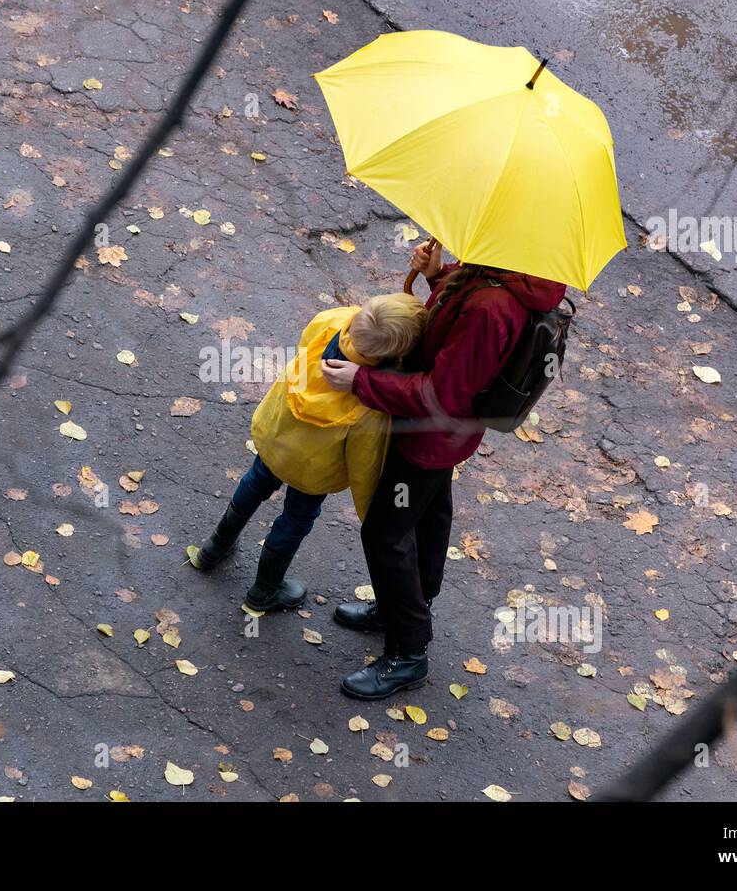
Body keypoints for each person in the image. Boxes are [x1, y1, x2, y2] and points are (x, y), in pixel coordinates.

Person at [321, 239, 567, 700]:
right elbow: (450, 333)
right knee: (429, 514)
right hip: (443, 434)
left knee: (385, 534)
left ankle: (408, 652)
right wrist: (437, 276)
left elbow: (442, 394)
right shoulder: (495, 270)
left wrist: (361, 381)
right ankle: (409, 602)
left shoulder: (492, 305)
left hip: (430, 433)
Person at [190, 293, 428, 613]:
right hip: (312, 471)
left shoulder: (330, 322)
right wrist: (370, 509)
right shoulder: (369, 400)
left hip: (278, 437)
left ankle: (213, 549)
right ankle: (263, 591)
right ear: (397, 353)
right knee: (295, 520)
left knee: (255, 482)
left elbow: (310, 337)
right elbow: (364, 461)